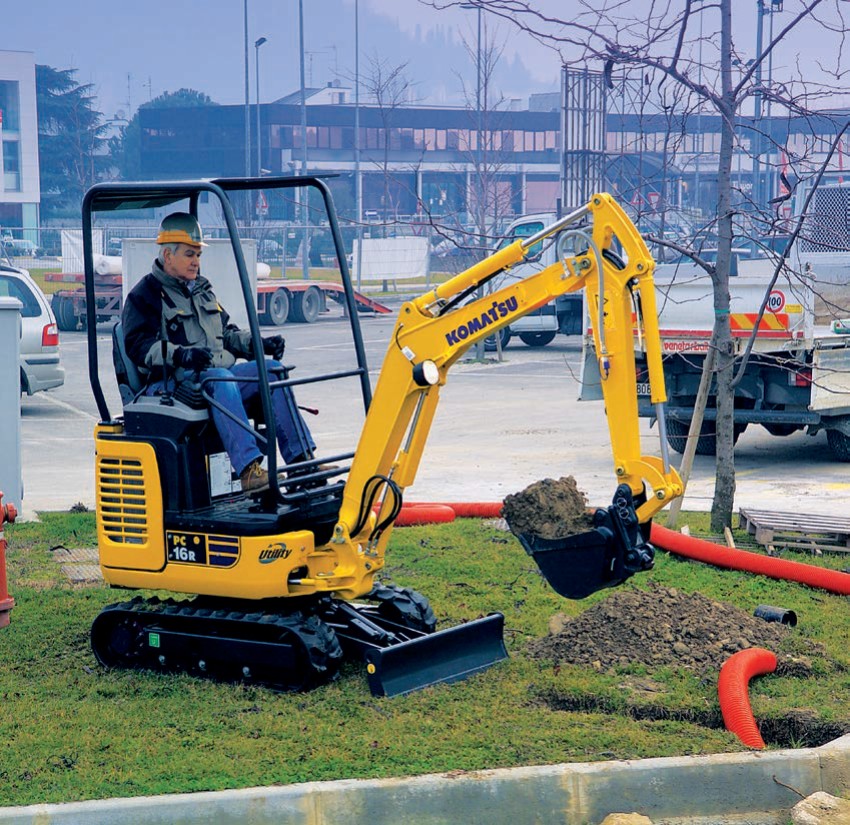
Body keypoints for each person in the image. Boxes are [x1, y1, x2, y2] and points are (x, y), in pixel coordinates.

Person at [122, 211, 316, 493]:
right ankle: (250, 470)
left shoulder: (202, 290)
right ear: (167, 255)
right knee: (221, 378)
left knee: (272, 372)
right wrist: (181, 355)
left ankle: (303, 464)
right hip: (172, 383)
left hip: (211, 377)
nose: (196, 262)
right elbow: (139, 346)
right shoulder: (146, 295)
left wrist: (260, 345)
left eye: (198, 255)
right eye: (190, 254)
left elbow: (226, 334)